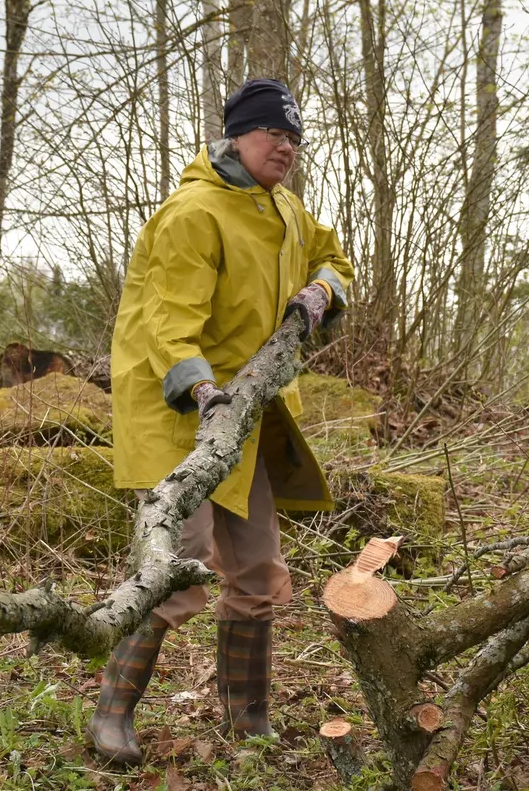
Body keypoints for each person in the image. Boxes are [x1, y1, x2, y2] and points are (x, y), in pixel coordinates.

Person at [88, 78, 354, 766]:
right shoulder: (193, 213)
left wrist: (322, 289)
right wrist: (203, 391)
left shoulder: (288, 211)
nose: (286, 147)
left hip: (251, 420)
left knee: (260, 574)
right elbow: (165, 323)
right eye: (273, 134)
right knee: (180, 569)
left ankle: (249, 718)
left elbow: (337, 256)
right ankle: (111, 711)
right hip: (181, 418)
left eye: (294, 137)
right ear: (239, 135)